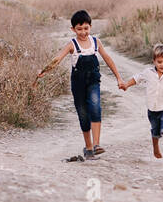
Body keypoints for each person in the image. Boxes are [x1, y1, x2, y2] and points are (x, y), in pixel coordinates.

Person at [32, 11, 122, 159]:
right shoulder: (72, 45)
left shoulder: (95, 42)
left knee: (95, 106)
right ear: (73, 29)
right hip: (78, 84)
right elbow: (57, 59)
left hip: (93, 82)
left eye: (86, 28)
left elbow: (108, 59)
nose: (83, 32)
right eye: (79, 29)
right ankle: (88, 148)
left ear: (90, 27)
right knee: (83, 115)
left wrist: (118, 78)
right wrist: (44, 71)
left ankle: (97, 144)